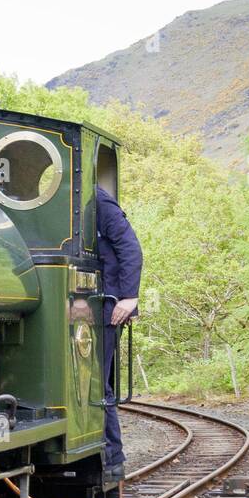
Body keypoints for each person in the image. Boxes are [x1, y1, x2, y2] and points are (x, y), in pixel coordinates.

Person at [96, 185, 143, 480]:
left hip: (107, 305)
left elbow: (130, 247)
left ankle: (113, 456)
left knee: (99, 385)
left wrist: (129, 297)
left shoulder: (101, 203)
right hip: (92, 304)